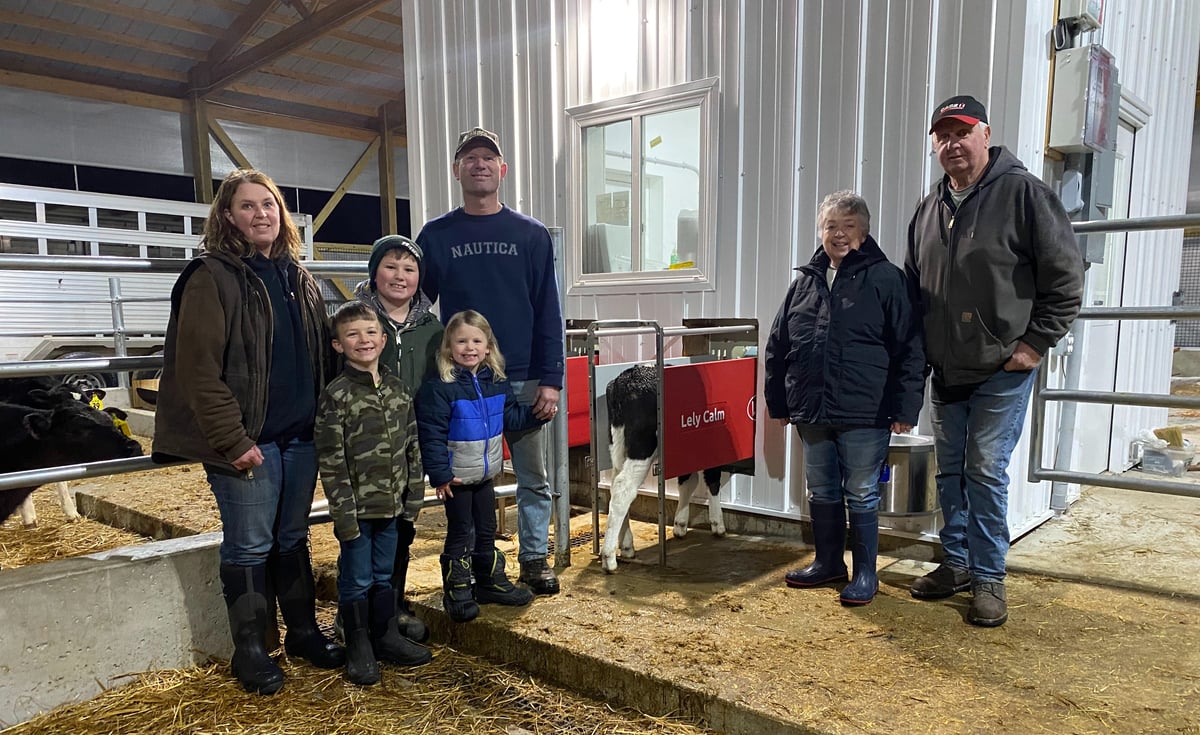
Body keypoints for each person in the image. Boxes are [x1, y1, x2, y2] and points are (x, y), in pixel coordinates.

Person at [153, 169, 343, 695]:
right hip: (250, 440)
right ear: (227, 216)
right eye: (247, 206)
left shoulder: (298, 277)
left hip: (300, 437)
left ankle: (302, 632)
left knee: (292, 537)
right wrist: (233, 440)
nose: (261, 214)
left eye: (268, 204)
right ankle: (253, 649)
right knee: (249, 544)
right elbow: (196, 369)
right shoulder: (211, 277)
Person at [905, 95, 1084, 627]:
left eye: (962, 132)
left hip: (1001, 366)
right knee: (952, 470)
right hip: (948, 368)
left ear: (985, 134)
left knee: (984, 470)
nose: (952, 144)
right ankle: (957, 563)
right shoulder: (929, 206)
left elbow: (1065, 278)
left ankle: (989, 579)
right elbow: (917, 289)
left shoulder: (1024, 194)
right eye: (942, 135)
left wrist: (1034, 343)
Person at [417, 126, 565, 596]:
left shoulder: (531, 234)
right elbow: (419, 305)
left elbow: (548, 308)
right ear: (457, 170)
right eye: (470, 158)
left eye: (488, 158)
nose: (479, 164)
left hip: (520, 376)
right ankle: (470, 562)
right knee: (464, 475)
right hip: (462, 381)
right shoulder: (436, 236)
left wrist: (552, 379)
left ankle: (534, 557)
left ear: (502, 170)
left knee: (532, 475)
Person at [765, 190, 925, 606]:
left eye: (848, 226)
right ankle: (828, 563)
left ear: (864, 231)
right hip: (813, 411)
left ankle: (866, 573)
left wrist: (905, 409)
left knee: (861, 492)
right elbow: (778, 345)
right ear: (820, 232)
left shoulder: (887, 278)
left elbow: (910, 347)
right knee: (821, 490)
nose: (838, 234)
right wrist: (779, 403)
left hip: (865, 412)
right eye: (830, 226)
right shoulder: (804, 283)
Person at [315, 301, 433, 686]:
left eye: (370, 333)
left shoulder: (399, 391)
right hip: (358, 512)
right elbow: (332, 463)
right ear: (337, 345)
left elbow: (412, 446)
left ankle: (385, 636)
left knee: (384, 574)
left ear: (383, 340)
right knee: (356, 578)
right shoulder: (336, 397)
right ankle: (358, 643)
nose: (363, 340)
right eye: (352, 334)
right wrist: (343, 516)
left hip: (394, 507)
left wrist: (413, 497)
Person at [415, 310, 546, 623]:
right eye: (461, 341)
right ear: (449, 347)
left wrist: (537, 414)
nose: (469, 347)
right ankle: (457, 588)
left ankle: (488, 582)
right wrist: (440, 475)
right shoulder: (439, 388)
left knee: (487, 530)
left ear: (488, 347)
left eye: (476, 340)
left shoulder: (496, 384)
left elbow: (510, 418)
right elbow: (430, 435)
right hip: (457, 478)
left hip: (486, 475)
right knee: (461, 531)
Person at [352, 233, 443, 645]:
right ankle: (357, 613)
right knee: (361, 529)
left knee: (404, 525)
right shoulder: (356, 322)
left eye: (409, 268)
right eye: (390, 266)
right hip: (365, 447)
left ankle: (393, 606)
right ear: (374, 272)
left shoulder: (431, 328)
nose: (399, 276)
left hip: (411, 444)